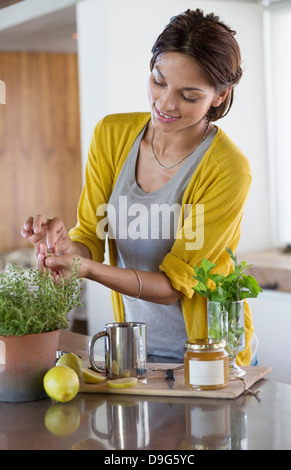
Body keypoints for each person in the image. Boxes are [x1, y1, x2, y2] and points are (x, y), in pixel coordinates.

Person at [21, 9, 253, 365]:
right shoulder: (111, 137)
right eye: (159, 81)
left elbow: (174, 286)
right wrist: (64, 249)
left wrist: (89, 271)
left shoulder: (227, 168)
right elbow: (92, 238)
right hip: (135, 350)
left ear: (220, 96)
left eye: (189, 96)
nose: (165, 104)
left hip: (210, 355)